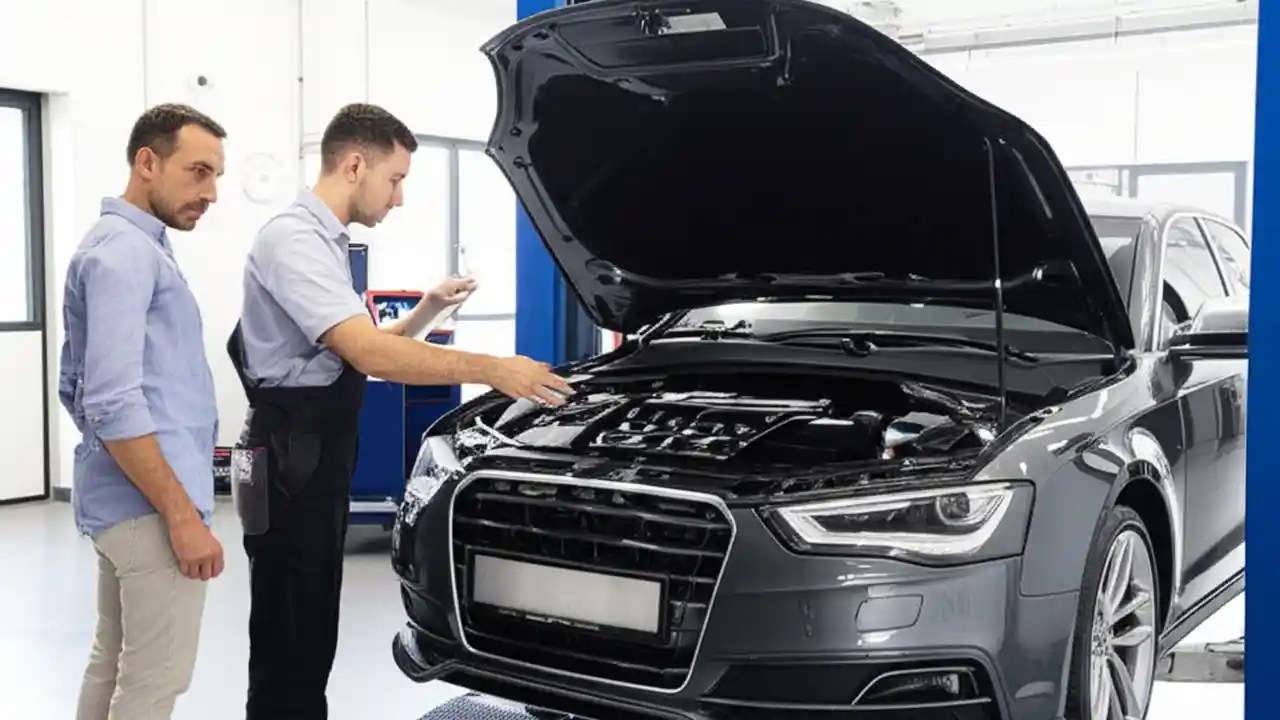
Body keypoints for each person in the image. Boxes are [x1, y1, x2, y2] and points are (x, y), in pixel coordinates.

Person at [229, 102, 574, 719]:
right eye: (397, 179)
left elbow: (361, 348)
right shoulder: (294, 240)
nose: (400, 198)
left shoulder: (325, 243)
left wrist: (427, 310)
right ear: (355, 164)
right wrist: (494, 368)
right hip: (289, 463)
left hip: (312, 461)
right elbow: (367, 354)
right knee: (289, 636)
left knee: (309, 628)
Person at [59, 103, 228, 720]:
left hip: (127, 502)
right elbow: (109, 399)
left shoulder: (132, 247)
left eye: (216, 177)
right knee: (156, 681)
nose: (209, 193)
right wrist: (181, 515)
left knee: (115, 663)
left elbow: (74, 388)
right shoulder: (125, 254)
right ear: (147, 162)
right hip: (152, 512)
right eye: (198, 172)